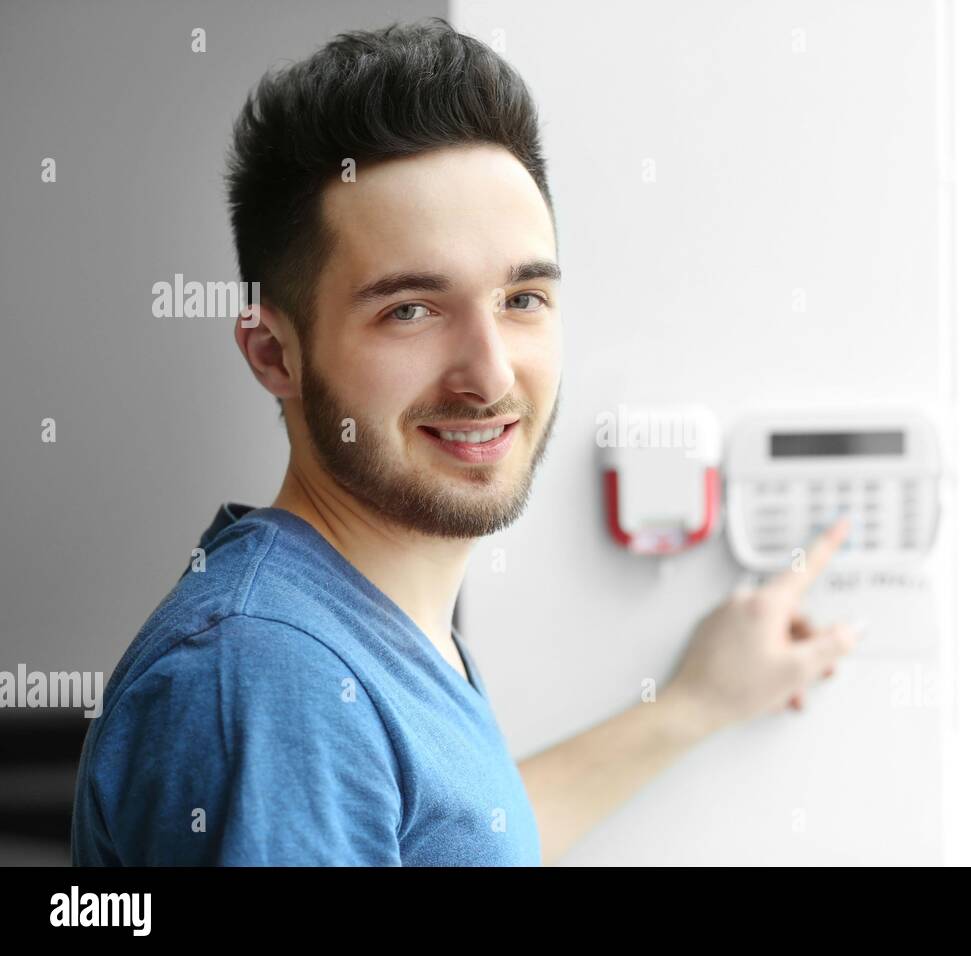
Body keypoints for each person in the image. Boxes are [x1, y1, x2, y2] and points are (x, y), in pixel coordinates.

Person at [70, 18, 858, 866]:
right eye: (410, 310)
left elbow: (468, 839)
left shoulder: (363, 629)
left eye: (522, 299)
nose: (488, 376)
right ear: (275, 354)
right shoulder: (267, 679)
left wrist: (694, 704)